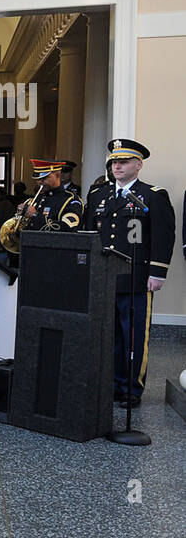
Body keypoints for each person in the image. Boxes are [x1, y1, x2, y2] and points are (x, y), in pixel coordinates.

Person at [83, 139, 175, 411]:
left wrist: (157, 273)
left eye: (123, 162)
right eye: (114, 162)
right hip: (104, 277)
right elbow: (90, 234)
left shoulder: (152, 195)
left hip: (136, 278)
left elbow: (162, 236)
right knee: (107, 335)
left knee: (133, 336)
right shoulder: (98, 195)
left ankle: (131, 388)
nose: (117, 166)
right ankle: (110, 383)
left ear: (138, 165)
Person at [22, 159, 83, 232]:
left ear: (58, 175)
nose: (40, 182)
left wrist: (35, 215)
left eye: (44, 178)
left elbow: (68, 227)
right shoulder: (37, 198)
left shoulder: (71, 200)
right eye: (38, 178)